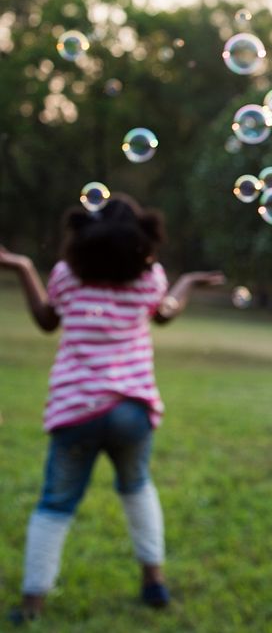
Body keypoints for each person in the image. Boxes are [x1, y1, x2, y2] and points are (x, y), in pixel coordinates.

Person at [0, 195, 223, 624]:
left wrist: (24, 268)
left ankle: (32, 605)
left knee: (54, 504)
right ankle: (154, 580)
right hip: (131, 412)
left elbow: (48, 321)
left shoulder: (67, 275)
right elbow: (166, 313)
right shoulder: (149, 278)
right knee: (137, 489)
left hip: (75, 411)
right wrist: (189, 282)